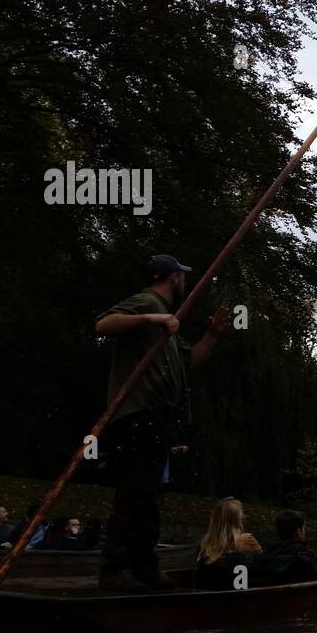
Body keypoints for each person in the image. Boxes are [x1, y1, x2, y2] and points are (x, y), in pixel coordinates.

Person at [96, 253, 230, 592]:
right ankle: (115, 571)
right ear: (174, 278)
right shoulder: (149, 302)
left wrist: (212, 335)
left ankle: (143, 569)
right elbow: (104, 324)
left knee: (150, 495)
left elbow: (189, 363)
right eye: (182, 276)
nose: (184, 281)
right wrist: (153, 317)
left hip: (157, 417)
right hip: (137, 415)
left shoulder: (170, 321)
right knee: (134, 493)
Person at [196, 497, 262, 590]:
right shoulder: (247, 540)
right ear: (237, 518)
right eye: (242, 513)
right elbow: (264, 565)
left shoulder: (204, 544)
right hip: (243, 595)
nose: (244, 516)